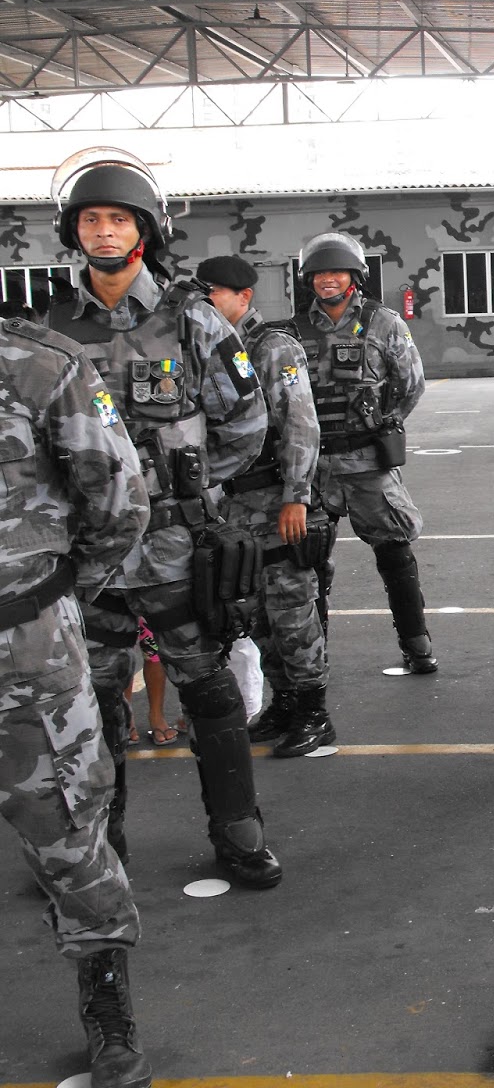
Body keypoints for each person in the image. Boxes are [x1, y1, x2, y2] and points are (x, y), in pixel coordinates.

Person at [47, 147, 281, 889]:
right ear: (73, 232)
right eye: (91, 219)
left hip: (178, 544)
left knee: (207, 687)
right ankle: (100, 841)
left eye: (118, 218)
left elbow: (246, 423)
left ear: (144, 230)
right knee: (95, 699)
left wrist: (188, 493)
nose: (105, 232)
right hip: (92, 556)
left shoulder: (194, 321)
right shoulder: (51, 329)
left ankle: (238, 833)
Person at [0, 313, 155, 1088]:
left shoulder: (35, 365)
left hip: (23, 649)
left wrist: (55, 596)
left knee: (67, 832)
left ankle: (107, 1005)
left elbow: (118, 499)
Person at [201, 254, 334, 757]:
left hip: (278, 503)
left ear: (243, 297)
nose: (207, 303)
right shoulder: (209, 349)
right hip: (234, 509)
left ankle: (314, 713)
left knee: (294, 614)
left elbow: (301, 424)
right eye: (203, 294)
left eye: (215, 293)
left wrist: (297, 496)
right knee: (256, 616)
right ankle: (285, 702)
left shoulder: (273, 348)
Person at [291, 232, 436, 674]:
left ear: (355, 277)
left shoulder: (384, 322)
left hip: (367, 462)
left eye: (336, 271)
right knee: (309, 564)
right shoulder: (295, 330)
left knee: (394, 552)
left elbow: (411, 384)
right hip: (314, 466)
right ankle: (315, 660)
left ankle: (417, 647)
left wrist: (383, 422)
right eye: (318, 273)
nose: (327, 280)